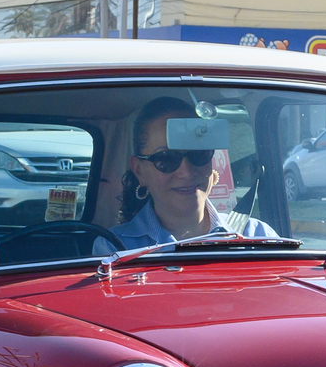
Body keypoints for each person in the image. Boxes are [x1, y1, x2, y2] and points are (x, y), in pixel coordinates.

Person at [102, 97, 279, 253]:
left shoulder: (257, 237)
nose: (186, 172)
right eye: (166, 159)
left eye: (199, 154)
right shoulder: (115, 248)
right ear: (139, 170)